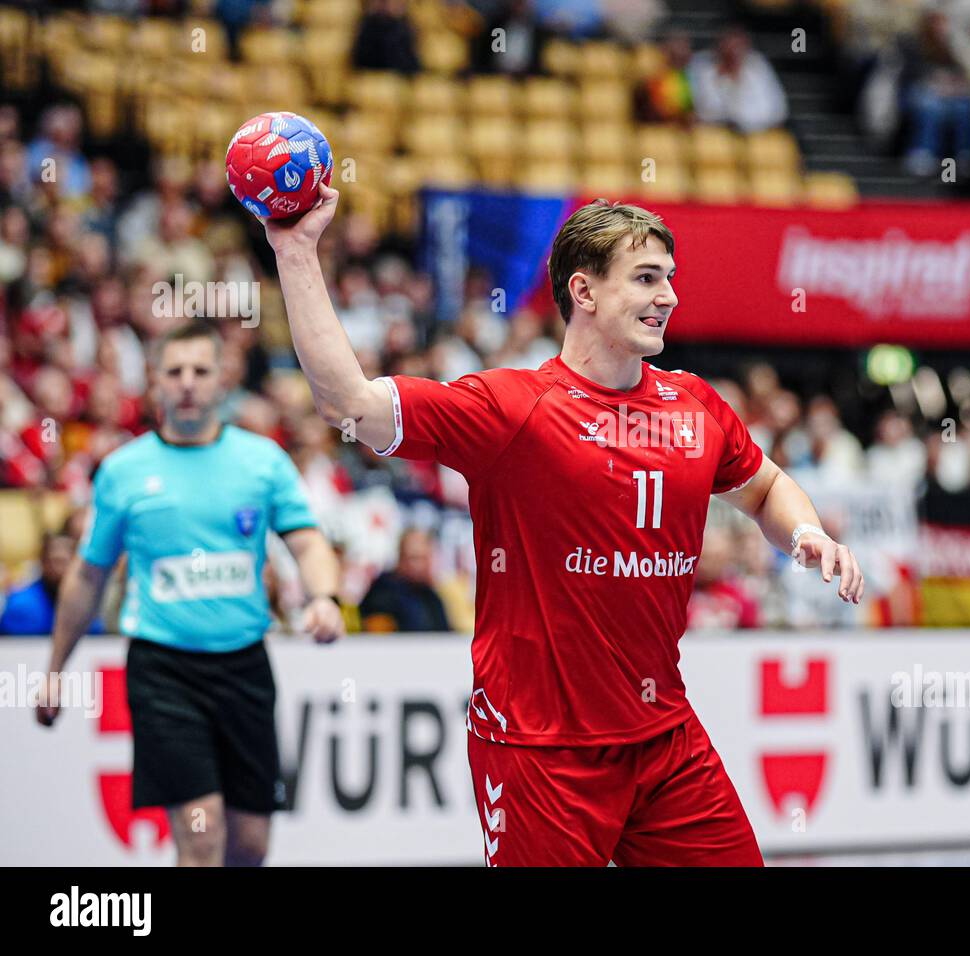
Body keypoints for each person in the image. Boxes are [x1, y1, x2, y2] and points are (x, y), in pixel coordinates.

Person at [261, 187, 864, 867]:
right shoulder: (511, 409)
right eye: (645, 278)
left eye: (670, 277)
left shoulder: (695, 405)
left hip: (663, 737)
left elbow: (766, 489)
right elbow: (350, 403)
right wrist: (296, 251)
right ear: (584, 290)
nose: (668, 295)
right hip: (537, 750)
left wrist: (806, 532)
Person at [35, 320, 345, 867]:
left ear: (221, 380)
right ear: (154, 381)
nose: (186, 382)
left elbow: (310, 544)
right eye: (173, 371)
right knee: (201, 838)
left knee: (249, 846)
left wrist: (324, 598)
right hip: (163, 674)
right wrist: (55, 669)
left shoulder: (262, 462)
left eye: (199, 371)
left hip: (245, 669)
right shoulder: (123, 472)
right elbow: (87, 576)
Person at [0, 527, 104, 636]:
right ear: (42, 562)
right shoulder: (21, 606)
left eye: (64, 561)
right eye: (54, 560)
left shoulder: (88, 605)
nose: (57, 568)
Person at [359, 528, 452, 632]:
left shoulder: (432, 598)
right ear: (400, 557)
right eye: (414, 558)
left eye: (424, 558)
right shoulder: (382, 593)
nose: (420, 565)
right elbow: (376, 638)